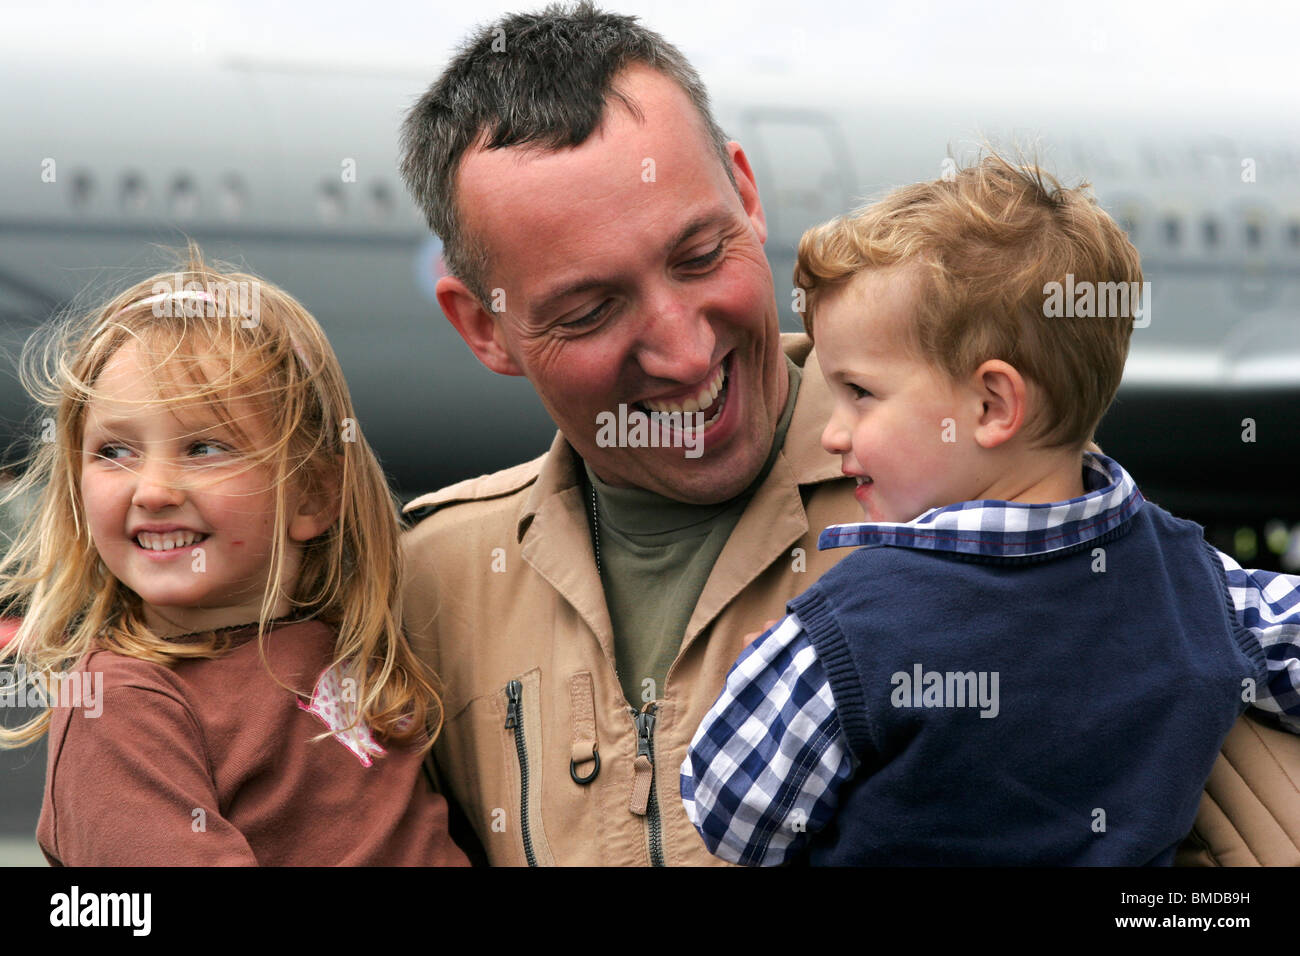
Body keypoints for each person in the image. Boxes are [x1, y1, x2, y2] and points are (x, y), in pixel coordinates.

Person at [397, 1, 1300, 865]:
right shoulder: (425, 594)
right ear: (482, 326)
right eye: (590, 310)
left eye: (701, 256)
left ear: (747, 195)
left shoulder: (1046, 527)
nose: (681, 349)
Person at [680, 154, 1300, 865]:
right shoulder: (1196, 580)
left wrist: (764, 665)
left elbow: (731, 816)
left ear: (990, 405)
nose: (832, 431)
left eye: (859, 393)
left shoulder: (857, 626)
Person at [0, 245, 469, 866]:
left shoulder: (353, 650)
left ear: (314, 495)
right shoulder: (120, 705)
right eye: (114, 451)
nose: (155, 490)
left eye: (204, 448)